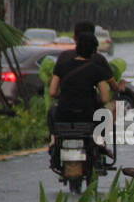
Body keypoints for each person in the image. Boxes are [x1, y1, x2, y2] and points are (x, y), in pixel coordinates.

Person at [48, 31, 114, 166]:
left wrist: (66, 94)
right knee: (105, 113)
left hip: (64, 115)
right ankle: (100, 142)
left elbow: (52, 92)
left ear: (76, 48)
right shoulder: (96, 69)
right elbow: (106, 97)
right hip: (88, 116)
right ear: (94, 50)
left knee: (51, 111)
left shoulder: (62, 66)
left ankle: (53, 141)